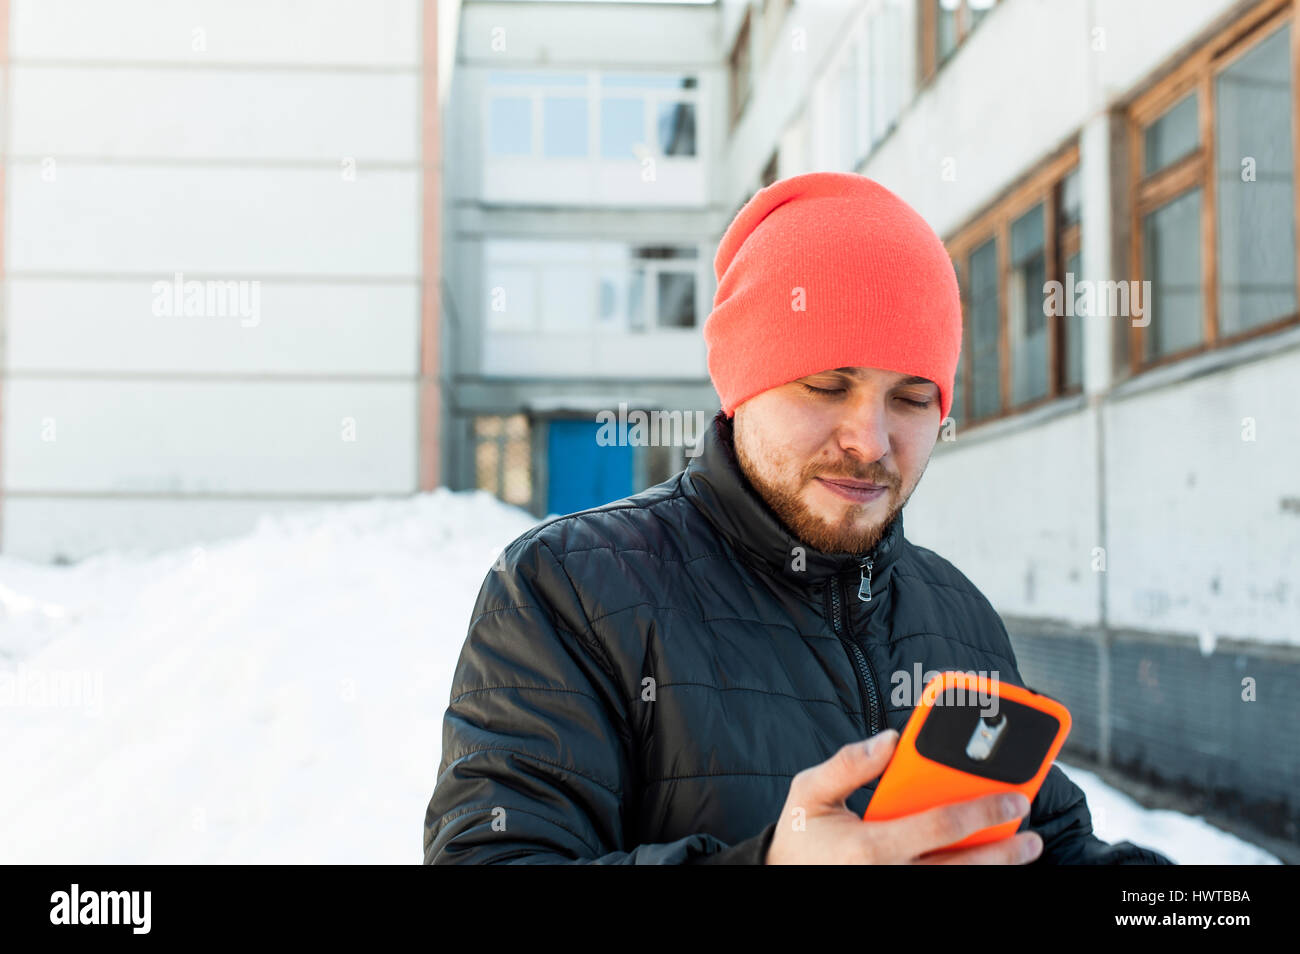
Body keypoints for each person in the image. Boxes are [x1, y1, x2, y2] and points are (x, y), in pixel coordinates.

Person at [423, 171, 1174, 865]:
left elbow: (1053, 844)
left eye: (912, 398)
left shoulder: (959, 615)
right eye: (825, 385)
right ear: (740, 389)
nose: (870, 442)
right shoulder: (569, 591)